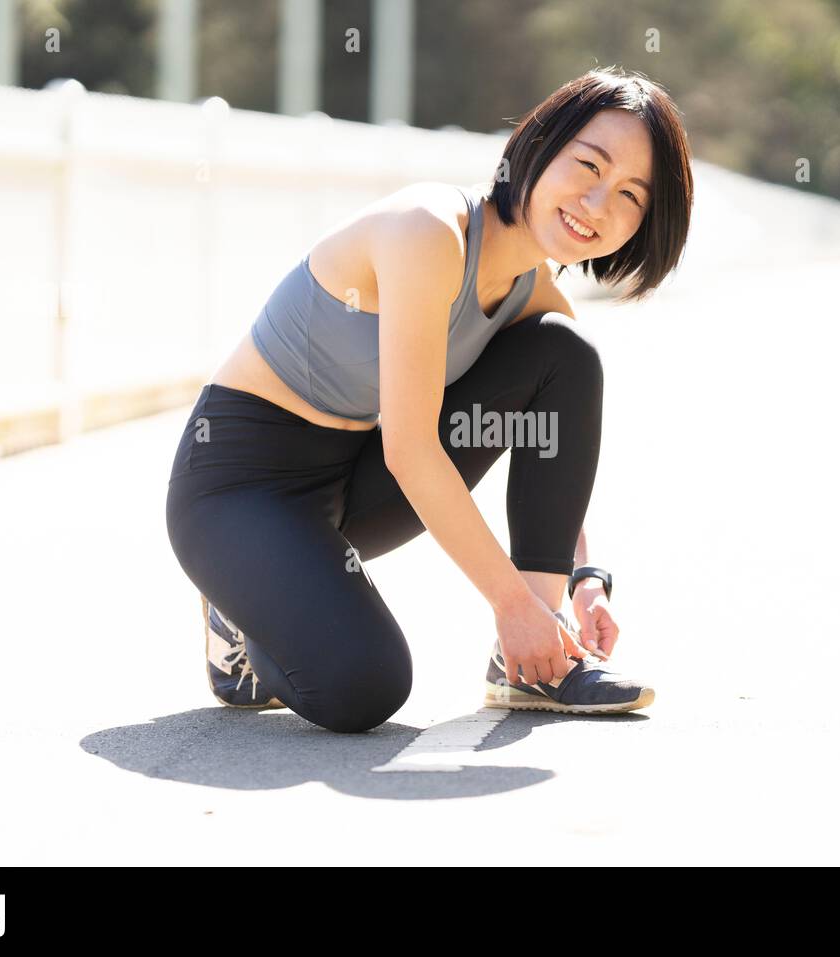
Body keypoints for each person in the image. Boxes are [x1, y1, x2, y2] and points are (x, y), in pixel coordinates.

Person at [165, 66, 693, 733]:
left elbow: (550, 443)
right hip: (238, 487)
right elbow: (411, 448)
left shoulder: (533, 294)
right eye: (588, 165)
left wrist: (580, 579)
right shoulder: (428, 230)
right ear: (539, 143)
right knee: (365, 686)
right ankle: (240, 602)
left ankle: (532, 663)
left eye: (629, 196)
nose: (596, 202)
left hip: (351, 484)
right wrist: (507, 600)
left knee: (566, 357)